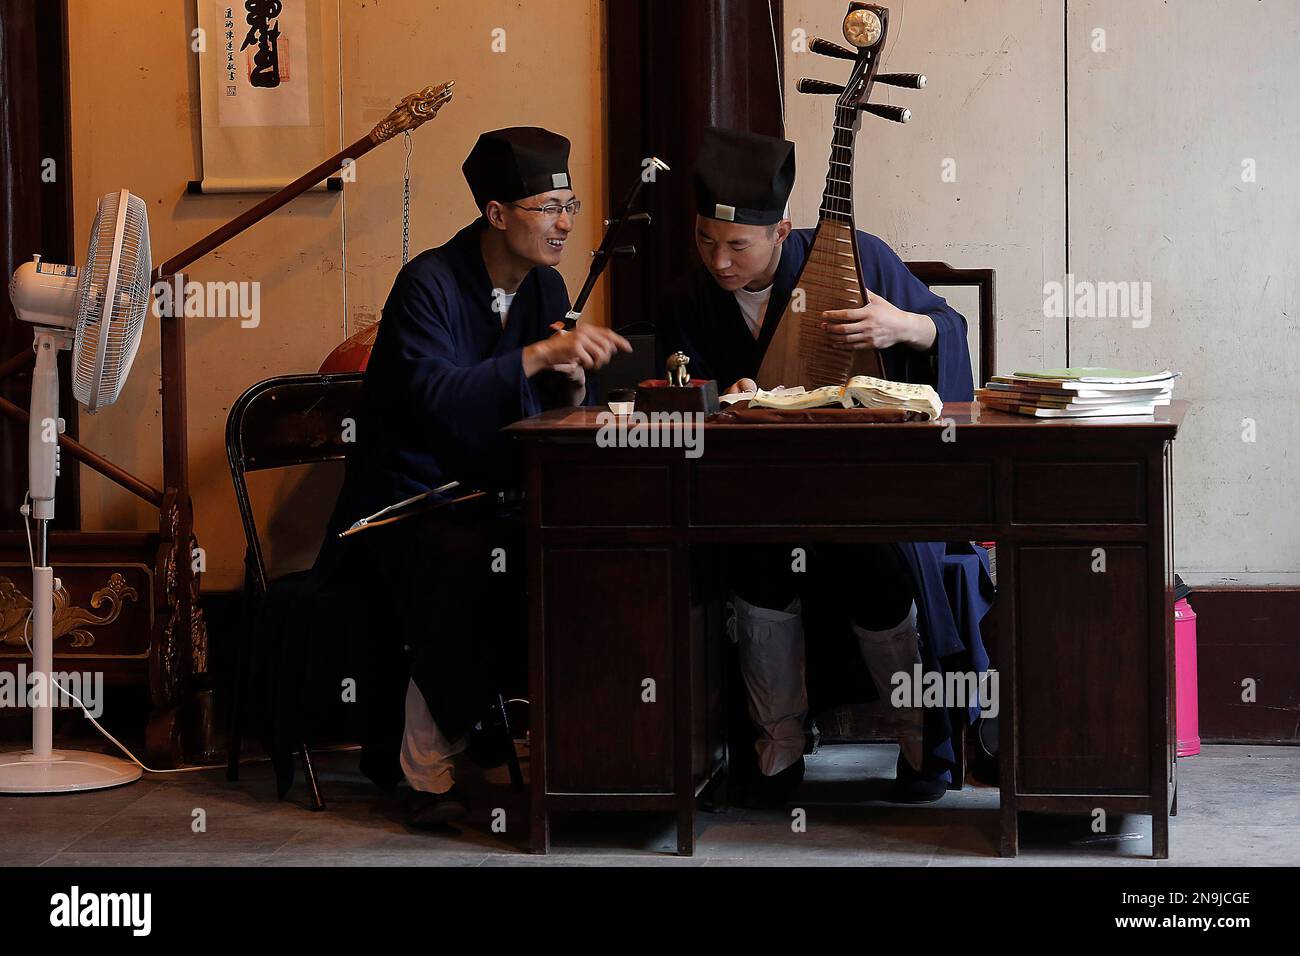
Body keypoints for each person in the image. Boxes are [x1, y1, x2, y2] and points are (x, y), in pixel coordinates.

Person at [657, 127, 993, 806]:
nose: (719, 261)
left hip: (868, 491)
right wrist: (726, 400)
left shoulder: (853, 259)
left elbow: (947, 328)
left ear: (782, 230)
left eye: (737, 245)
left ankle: (916, 738)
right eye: (704, 241)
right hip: (755, 495)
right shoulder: (690, 299)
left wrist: (905, 327)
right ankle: (775, 746)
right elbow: (678, 393)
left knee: (876, 565)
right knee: (754, 566)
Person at [313, 126, 630, 827]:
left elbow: (545, 405)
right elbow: (437, 397)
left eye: (569, 206)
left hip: (491, 490)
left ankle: (575, 751)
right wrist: (541, 355)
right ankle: (425, 773)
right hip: (404, 499)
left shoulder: (544, 286)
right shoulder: (428, 281)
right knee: (459, 571)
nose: (564, 224)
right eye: (547, 209)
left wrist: (571, 383)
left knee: (578, 557)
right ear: (495, 214)